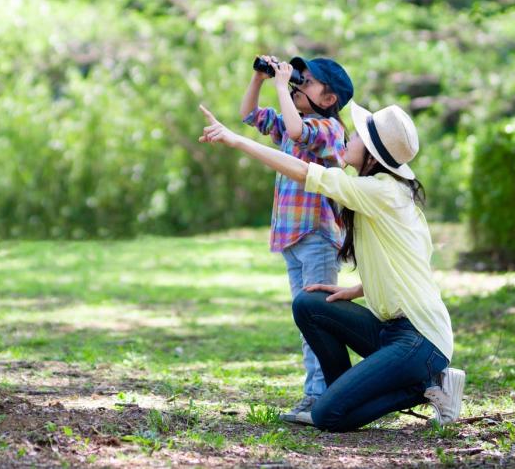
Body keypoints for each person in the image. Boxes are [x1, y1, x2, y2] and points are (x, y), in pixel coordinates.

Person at [198, 101, 465, 431]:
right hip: (393, 331)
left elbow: (302, 171)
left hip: (421, 340)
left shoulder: (382, 191)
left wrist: (236, 139)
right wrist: (355, 289)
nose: (347, 138)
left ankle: (429, 387)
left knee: (328, 417)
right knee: (310, 304)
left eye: (356, 136)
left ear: (372, 153)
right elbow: (408, 261)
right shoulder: (381, 194)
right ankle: (341, 392)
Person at [238, 55, 353, 422]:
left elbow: (297, 132)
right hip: (290, 237)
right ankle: (318, 393)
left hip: (316, 235)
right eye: (299, 77)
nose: (299, 83)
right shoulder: (295, 120)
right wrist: (259, 79)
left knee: (315, 321)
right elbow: (249, 115)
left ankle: (317, 395)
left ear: (329, 97)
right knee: (306, 320)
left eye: (308, 80)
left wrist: (282, 86)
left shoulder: (329, 129)